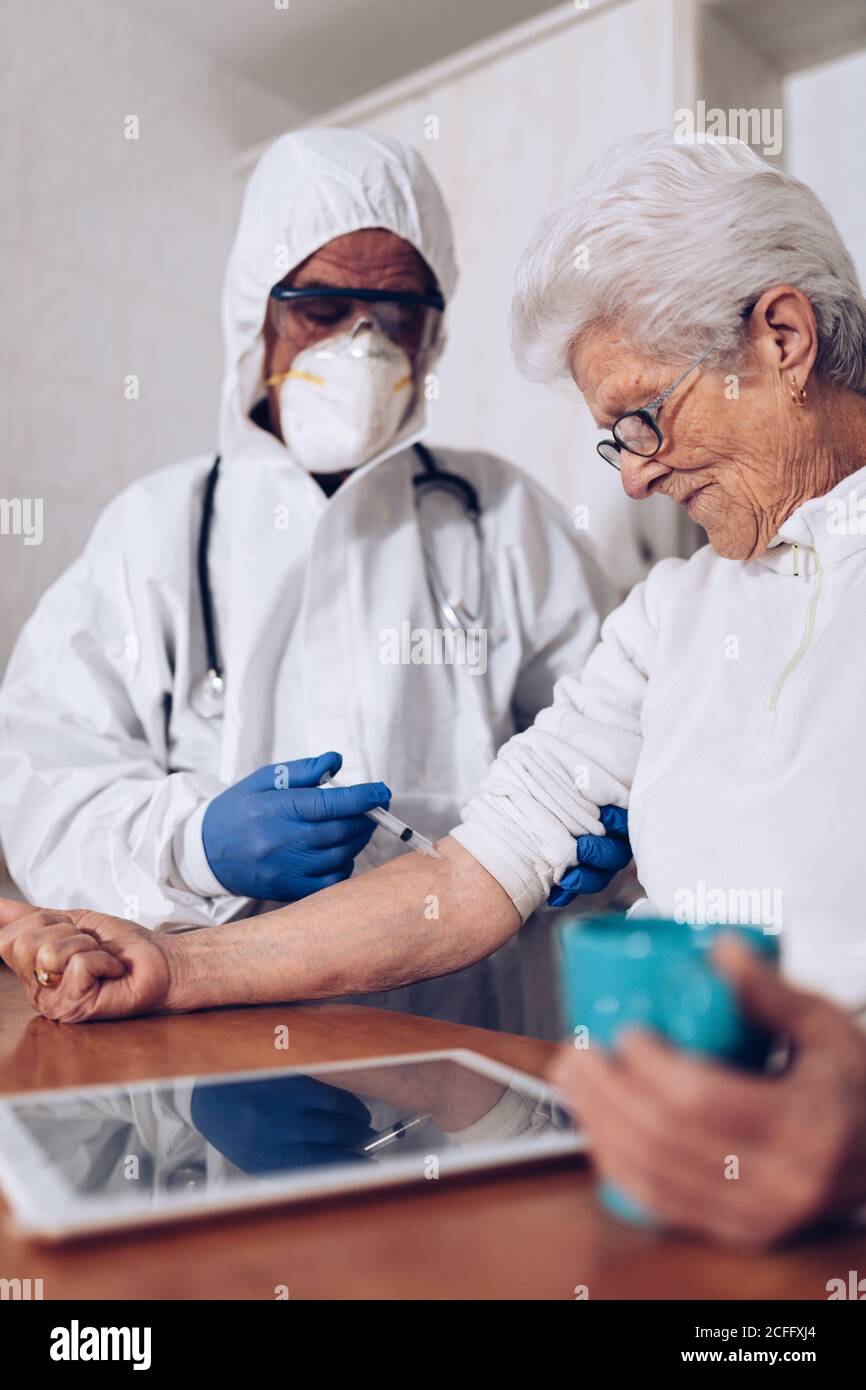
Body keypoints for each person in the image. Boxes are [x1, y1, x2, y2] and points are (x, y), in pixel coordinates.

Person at [6, 128, 865, 1244]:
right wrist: (175, 950)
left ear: (782, 340)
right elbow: (475, 870)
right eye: (615, 441)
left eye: (643, 415)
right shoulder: (677, 608)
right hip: (653, 1177)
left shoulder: (507, 522)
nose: (639, 471)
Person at [0, 128, 622, 1032]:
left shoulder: (499, 514)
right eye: (322, 303)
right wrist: (200, 844)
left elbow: (610, 725)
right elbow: (41, 782)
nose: (362, 343)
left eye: (397, 310)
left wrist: (607, 823)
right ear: (257, 311)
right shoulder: (156, 530)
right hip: (206, 1020)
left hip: (473, 1020)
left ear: (434, 329)